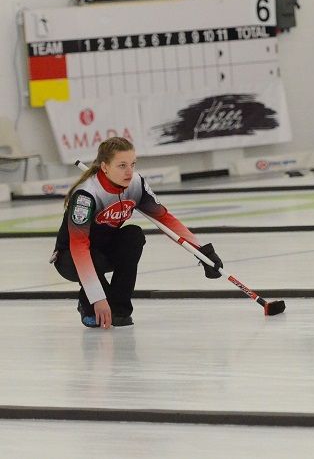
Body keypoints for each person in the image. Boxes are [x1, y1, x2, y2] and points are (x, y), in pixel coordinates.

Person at [51, 137, 223, 329]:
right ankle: (88, 304)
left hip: (104, 250)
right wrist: (97, 297)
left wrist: (201, 251)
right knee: (94, 259)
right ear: (105, 167)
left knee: (133, 235)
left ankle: (120, 310)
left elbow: (164, 219)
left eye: (132, 164)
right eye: (122, 165)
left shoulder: (136, 184)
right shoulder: (86, 195)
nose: (129, 171)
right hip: (71, 258)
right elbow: (79, 246)